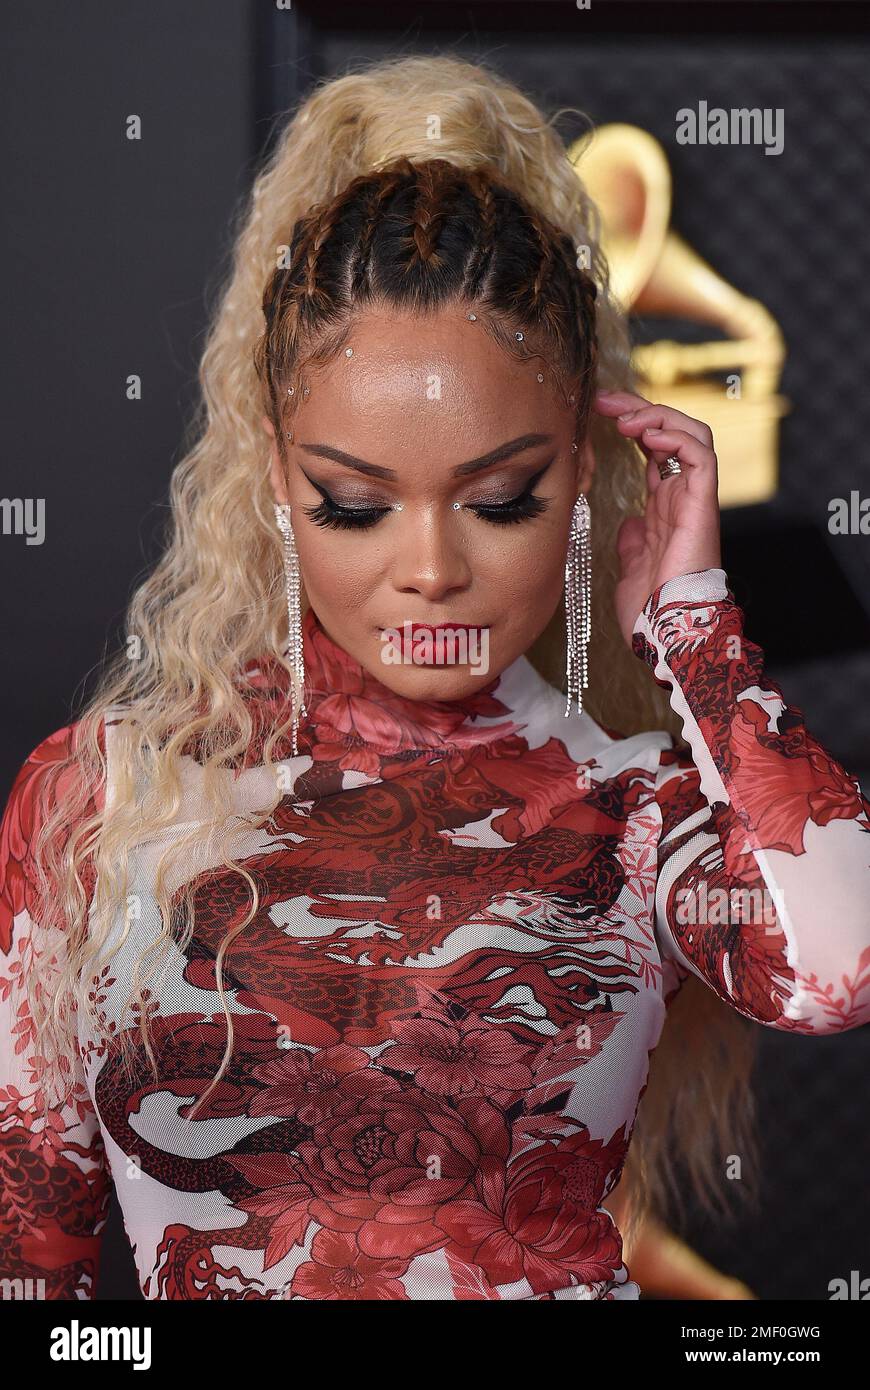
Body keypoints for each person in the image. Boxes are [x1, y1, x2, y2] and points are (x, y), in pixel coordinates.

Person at [2, 55, 868, 1303]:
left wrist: (696, 629)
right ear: (275, 479)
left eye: (503, 498)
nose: (431, 571)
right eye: (353, 504)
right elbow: (31, 1256)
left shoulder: (631, 813)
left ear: (585, 471)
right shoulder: (100, 803)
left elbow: (839, 960)